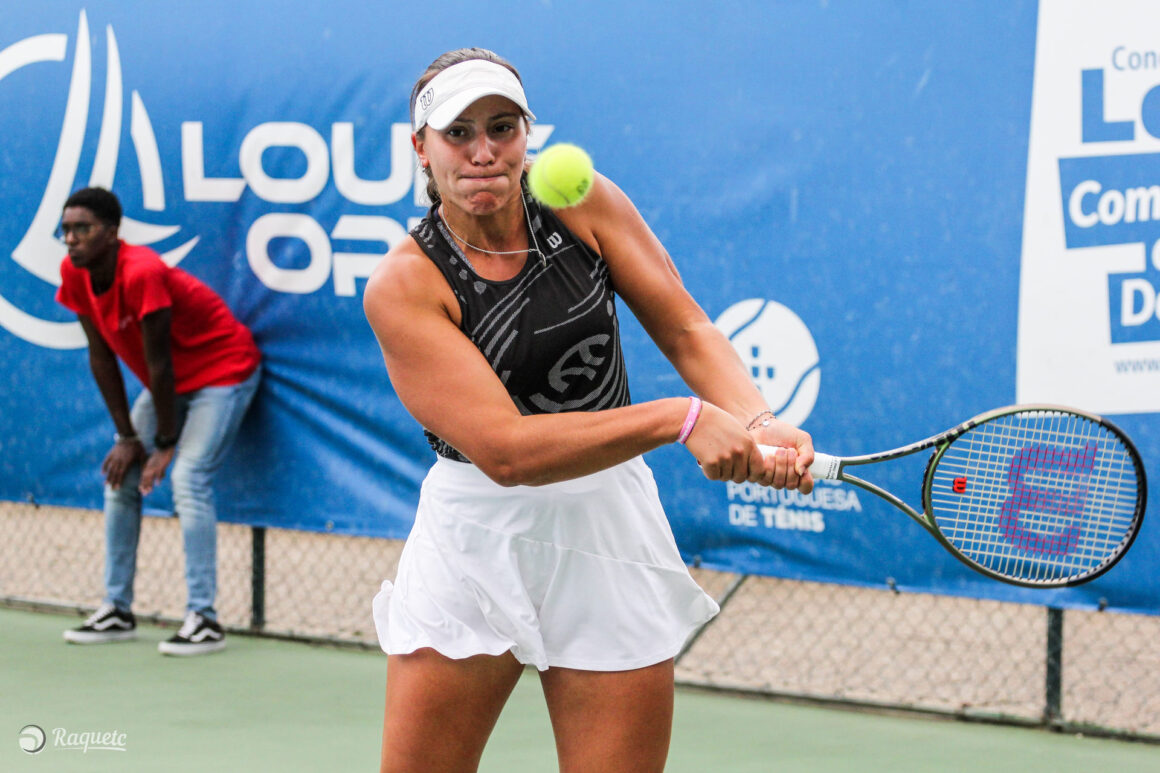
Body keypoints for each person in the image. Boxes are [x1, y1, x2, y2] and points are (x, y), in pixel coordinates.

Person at [363, 49, 815, 772]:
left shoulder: (582, 202)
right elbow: (506, 451)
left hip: (609, 526)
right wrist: (682, 419)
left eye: (501, 127)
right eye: (457, 133)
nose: (483, 152)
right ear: (421, 148)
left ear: (527, 134)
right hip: (475, 534)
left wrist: (756, 421)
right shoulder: (403, 285)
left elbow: (687, 327)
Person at [56, 187, 261, 657]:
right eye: (66, 230)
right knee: (119, 476)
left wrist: (165, 443)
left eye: (81, 229)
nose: (71, 240)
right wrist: (127, 437)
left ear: (111, 234)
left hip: (223, 371)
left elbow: (160, 362)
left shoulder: (142, 272)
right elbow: (100, 355)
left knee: (188, 477)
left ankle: (204, 619)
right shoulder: (75, 272)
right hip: (171, 383)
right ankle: (116, 609)